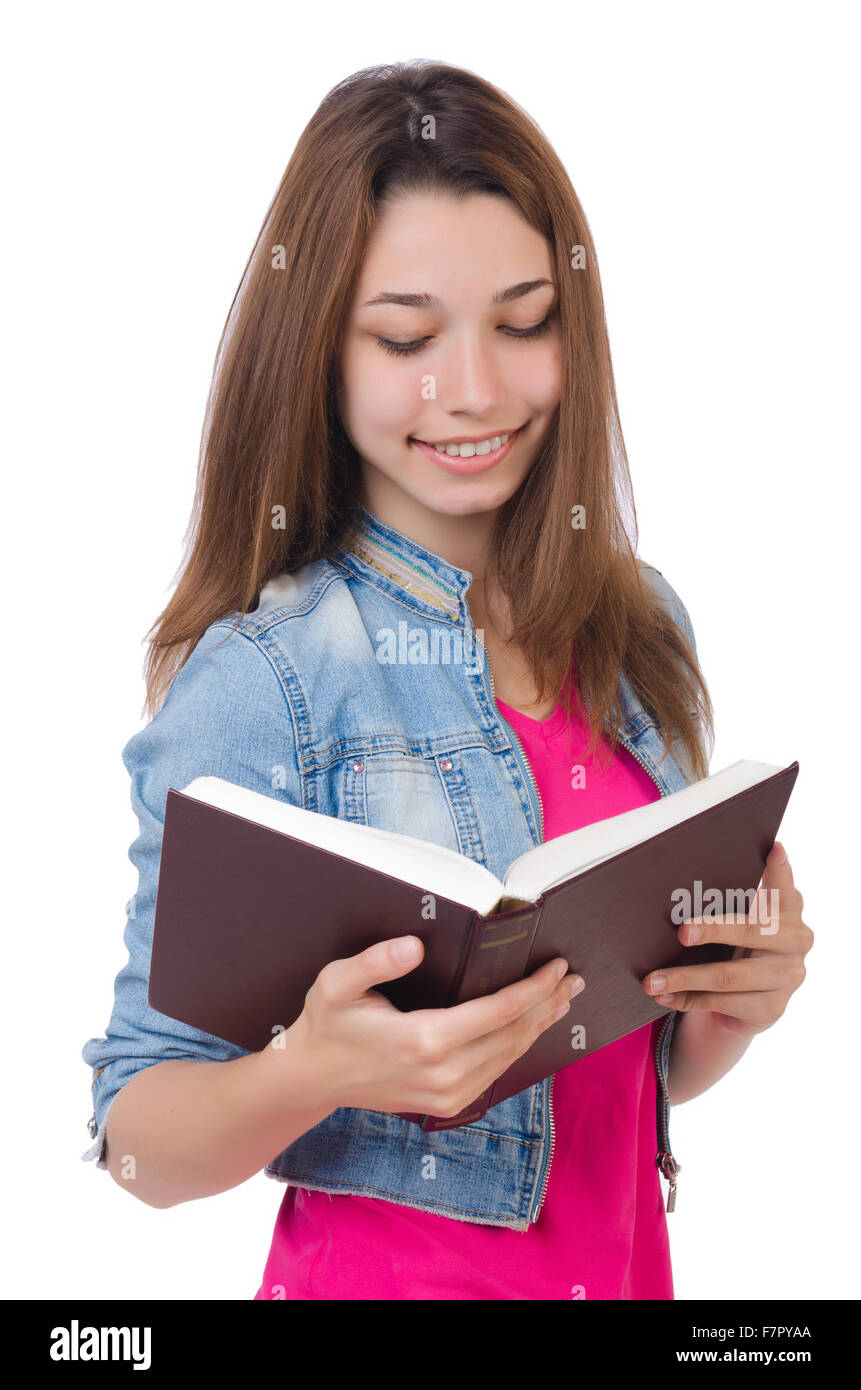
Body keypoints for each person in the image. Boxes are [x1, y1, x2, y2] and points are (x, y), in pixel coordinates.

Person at [81, 60, 813, 1300]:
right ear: (319, 347)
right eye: (407, 336)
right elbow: (135, 1143)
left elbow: (609, 1074)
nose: (472, 389)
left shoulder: (640, 628)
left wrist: (734, 1002)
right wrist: (312, 1071)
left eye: (525, 322)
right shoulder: (267, 680)